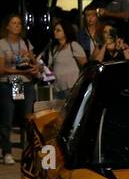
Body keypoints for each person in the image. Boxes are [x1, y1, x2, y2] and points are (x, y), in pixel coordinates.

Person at [0, 14, 45, 164]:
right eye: (14, 23)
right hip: (8, 83)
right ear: (7, 26)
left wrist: (31, 60)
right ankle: (7, 151)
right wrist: (22, 71)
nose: (17, 26)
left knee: (27, 117)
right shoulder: (2, 44)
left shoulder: (25, 42)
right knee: (7, 117)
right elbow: (1, 69)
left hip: (25, 83)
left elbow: (35, 62)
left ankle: (28, 149)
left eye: (19, 23)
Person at [44, 20, 87, 99]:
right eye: (54, 30)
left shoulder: (73, 45)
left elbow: (85, 65)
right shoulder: (53, 48)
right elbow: (51, 68)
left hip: (71, 87)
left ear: (66, 32)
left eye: (58, 30)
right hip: (57, 87)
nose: (55, 32)